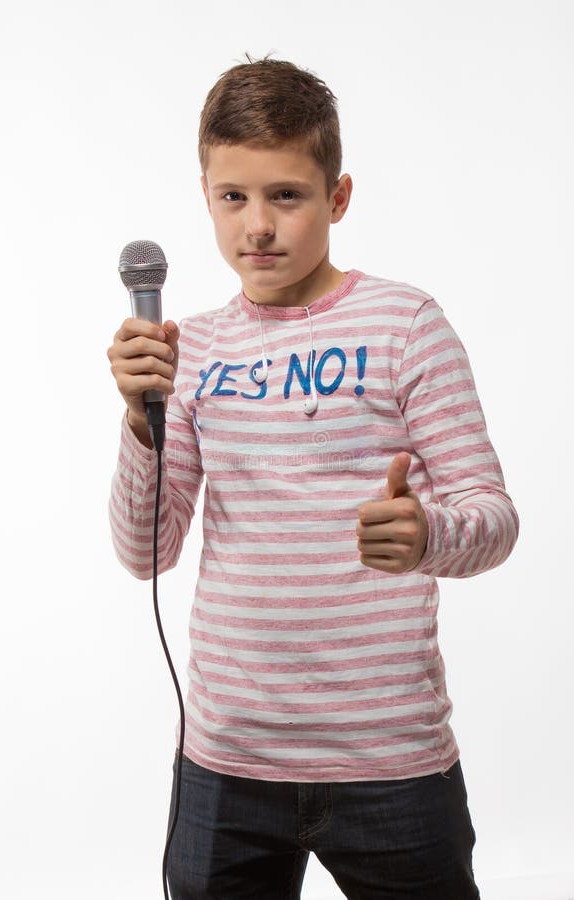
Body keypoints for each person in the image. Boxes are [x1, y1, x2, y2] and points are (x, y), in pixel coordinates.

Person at [107, 57, 518, 899]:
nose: (256, 226)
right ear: (206, 194)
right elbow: (143, 553)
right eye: (233, 197)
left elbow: (494, 515)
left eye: (286, 196)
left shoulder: (405, 324)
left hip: (390, 761)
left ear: (337, 198)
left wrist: (427, 535)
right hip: (224, 760)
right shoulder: (193, 348)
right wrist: (136, 421)